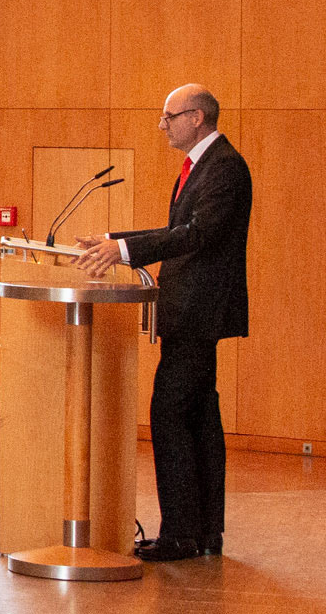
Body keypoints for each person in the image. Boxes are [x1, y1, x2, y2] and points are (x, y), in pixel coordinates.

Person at [74, 82, 252, 560]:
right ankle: (202, 533)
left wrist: (126, 250)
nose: (162, 124)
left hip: (199, 312)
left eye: (168, 116)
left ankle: (180, 535)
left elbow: (199, 234)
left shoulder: (225, 167)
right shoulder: (206, 164)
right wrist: (114, 239)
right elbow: (179, 231)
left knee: (170, 415)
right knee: (198, 420)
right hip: (191, 312)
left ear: (196, 117)